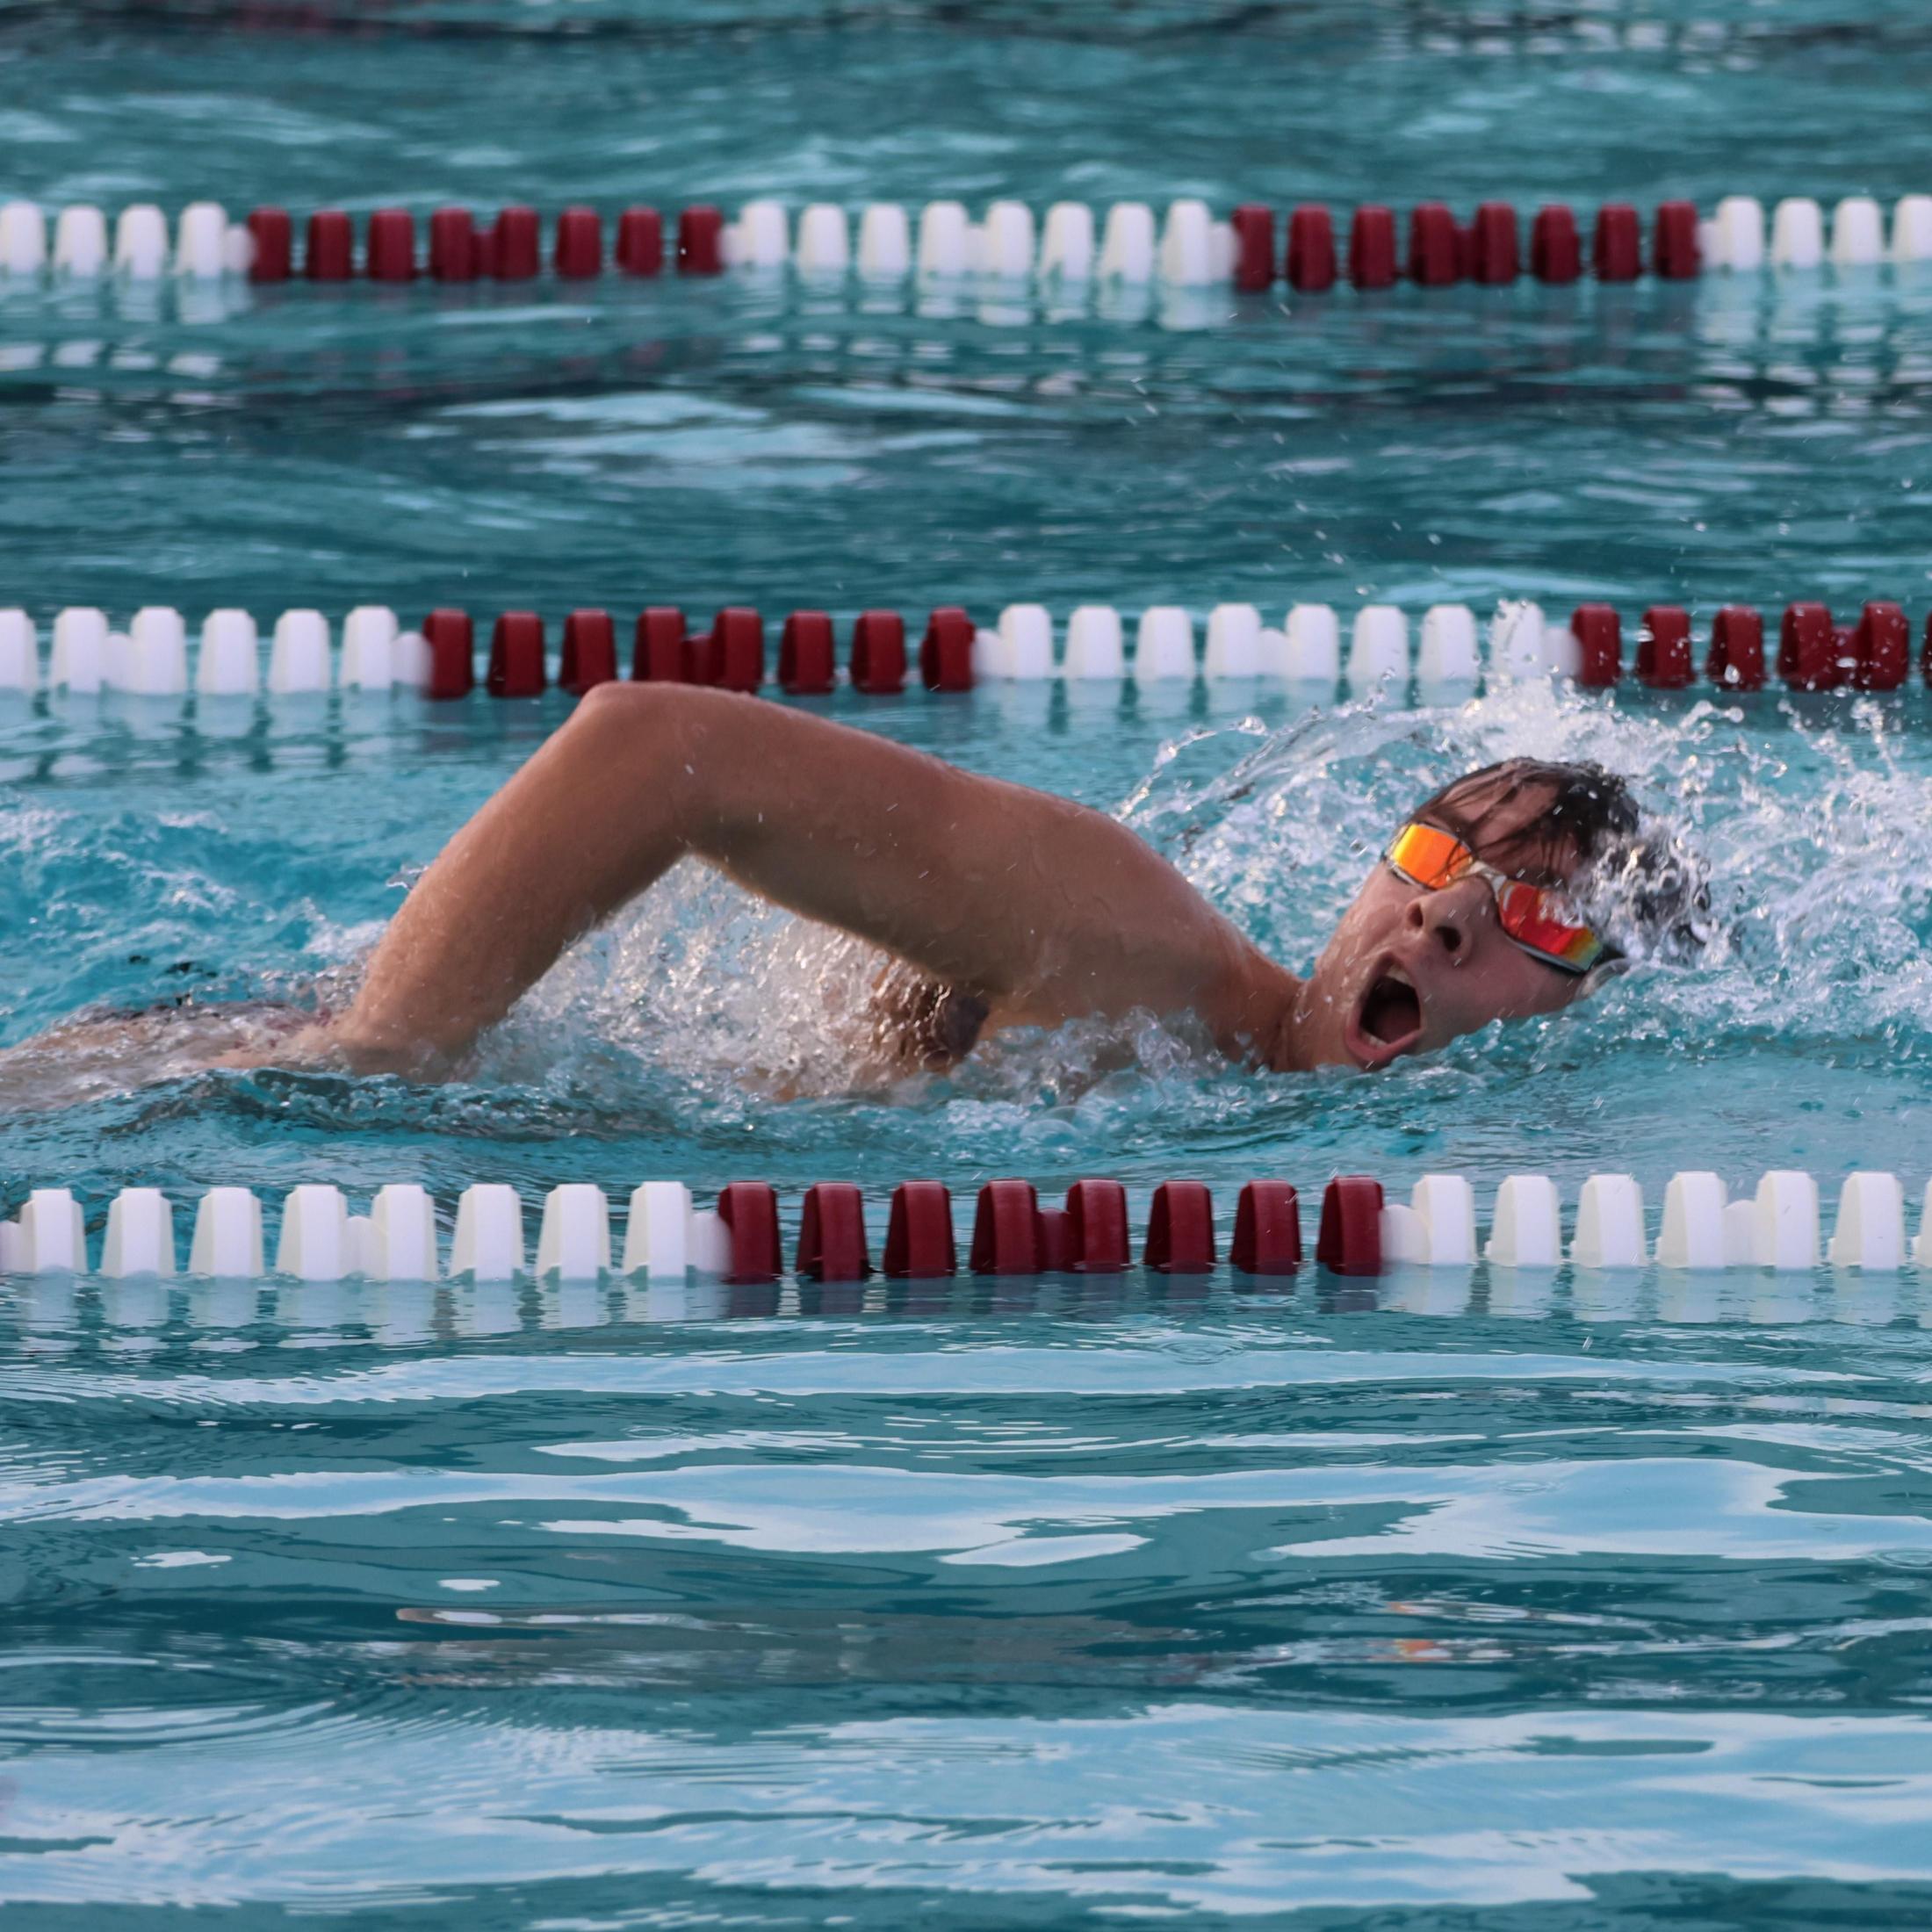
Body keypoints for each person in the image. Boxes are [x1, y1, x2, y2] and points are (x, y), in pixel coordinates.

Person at [191, 681, 1672, 1085]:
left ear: (1592, 1009)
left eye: (1543, 916)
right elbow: (658, 744)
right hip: (270, 1056)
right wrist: (380, 1054)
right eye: (1432, 852)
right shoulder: (1134, 942)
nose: (1447, 911)